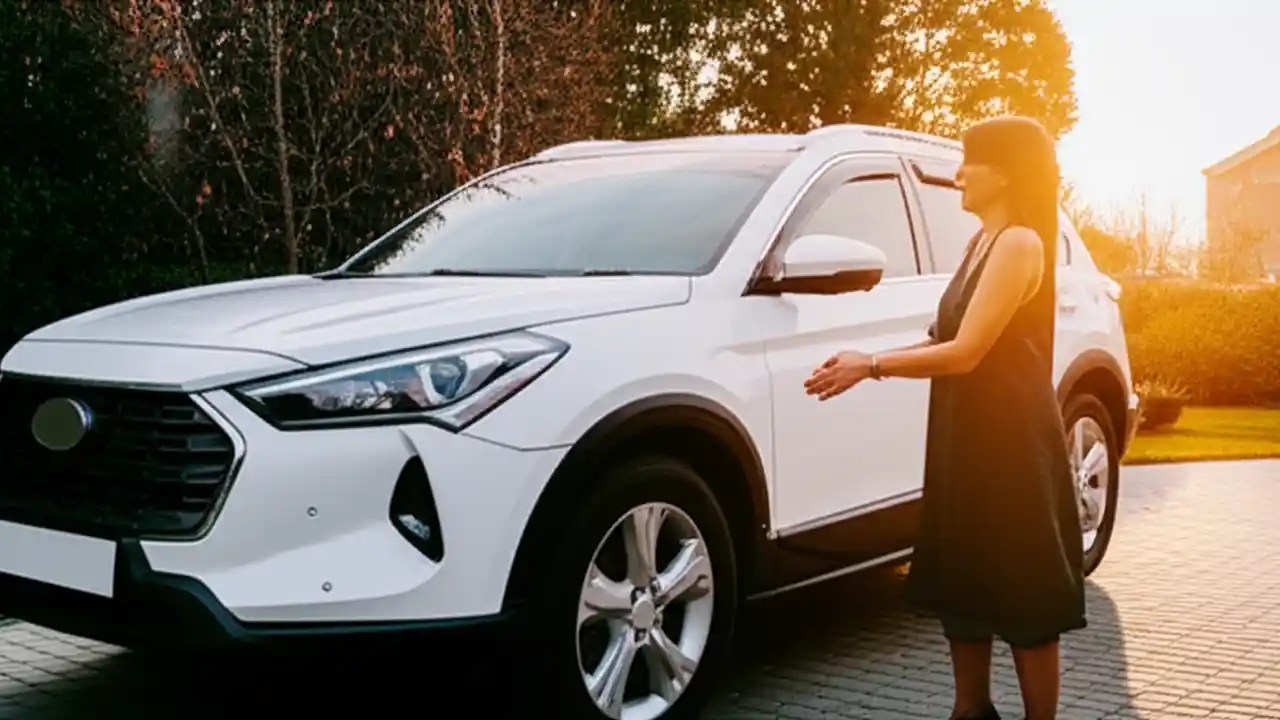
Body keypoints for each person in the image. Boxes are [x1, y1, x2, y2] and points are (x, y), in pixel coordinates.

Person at [803, 114, 1085, 720]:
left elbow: (965, 354)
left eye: (969, 161)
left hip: (1012, 444)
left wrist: (870, 366)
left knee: (1026, 591)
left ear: (1004, 173)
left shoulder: (1019, 244)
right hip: (965, 436)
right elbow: (943, 335)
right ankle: (970, 711)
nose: (958, 175)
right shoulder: (980, 243)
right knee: (966, 583)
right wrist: (862, 355)